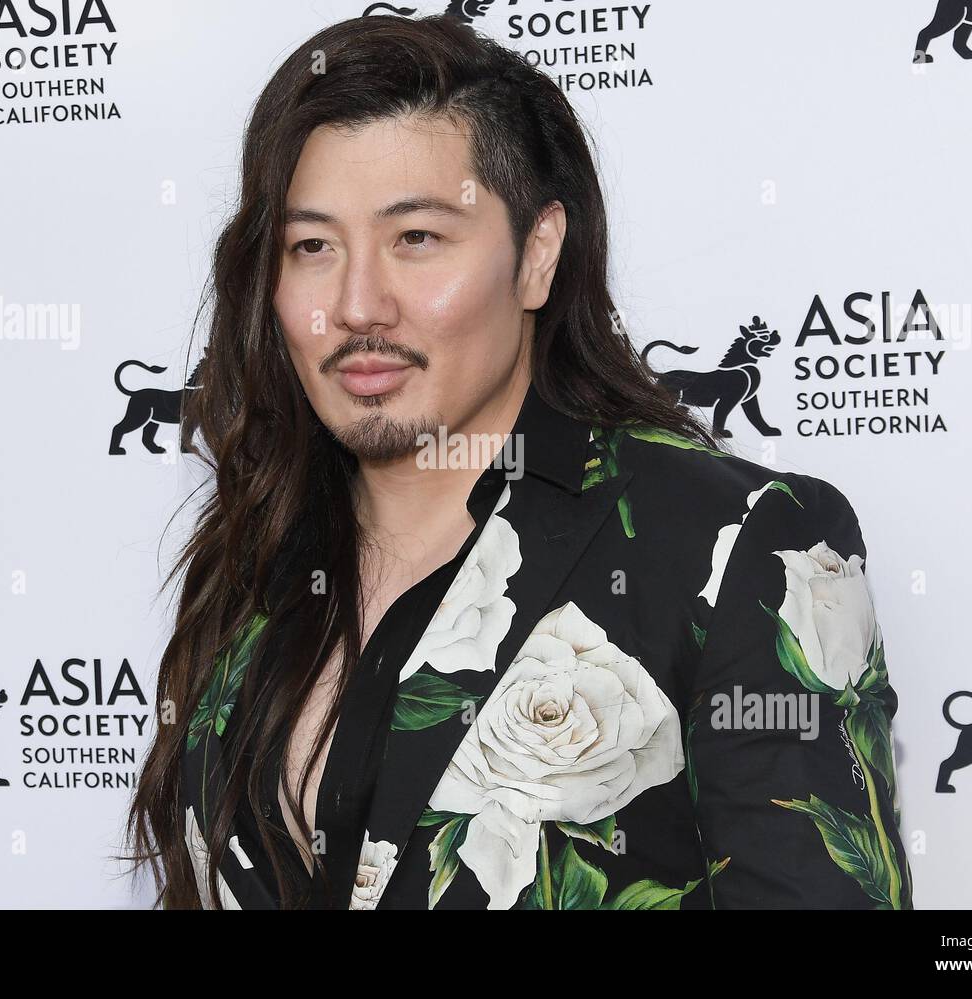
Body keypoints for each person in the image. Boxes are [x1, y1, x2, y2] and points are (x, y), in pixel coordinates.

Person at [125, 13, 914, 911]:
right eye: (313, 247)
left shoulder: (737, 546)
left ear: (537, 256)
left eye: (416, 238)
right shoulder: (254, 555)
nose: (356, 304)